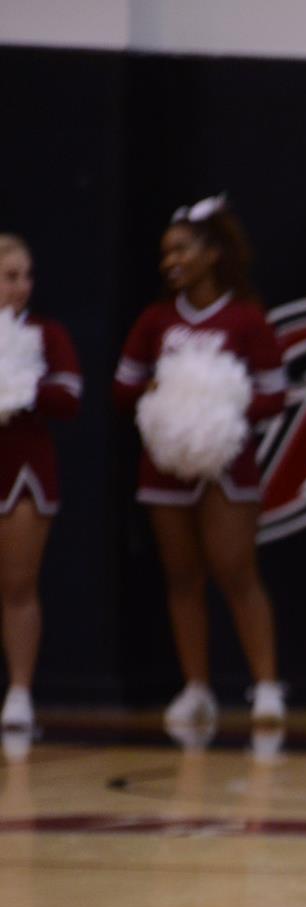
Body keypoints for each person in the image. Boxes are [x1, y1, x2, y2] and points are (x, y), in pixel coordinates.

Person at [112, 196, 286, 732]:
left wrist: (221, 404)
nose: (172, 261)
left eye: (182, 249)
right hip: (164, 464)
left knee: (236, 572)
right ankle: (196, 688)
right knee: (182, 577)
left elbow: (274, 396)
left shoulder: (246, 318)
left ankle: (266, 687)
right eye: (167, 252)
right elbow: (123, 388)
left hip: (226, 463)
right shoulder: (155, 319)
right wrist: (163, 398)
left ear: (213, 253)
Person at [0, 236, 82, 733]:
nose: (22, 286)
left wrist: (22, 385)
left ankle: (19, 692)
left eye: (27, 276)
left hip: (25, 469)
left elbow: (69, 397)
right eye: (10, 276)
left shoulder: (46, 333)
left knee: (17, 585)